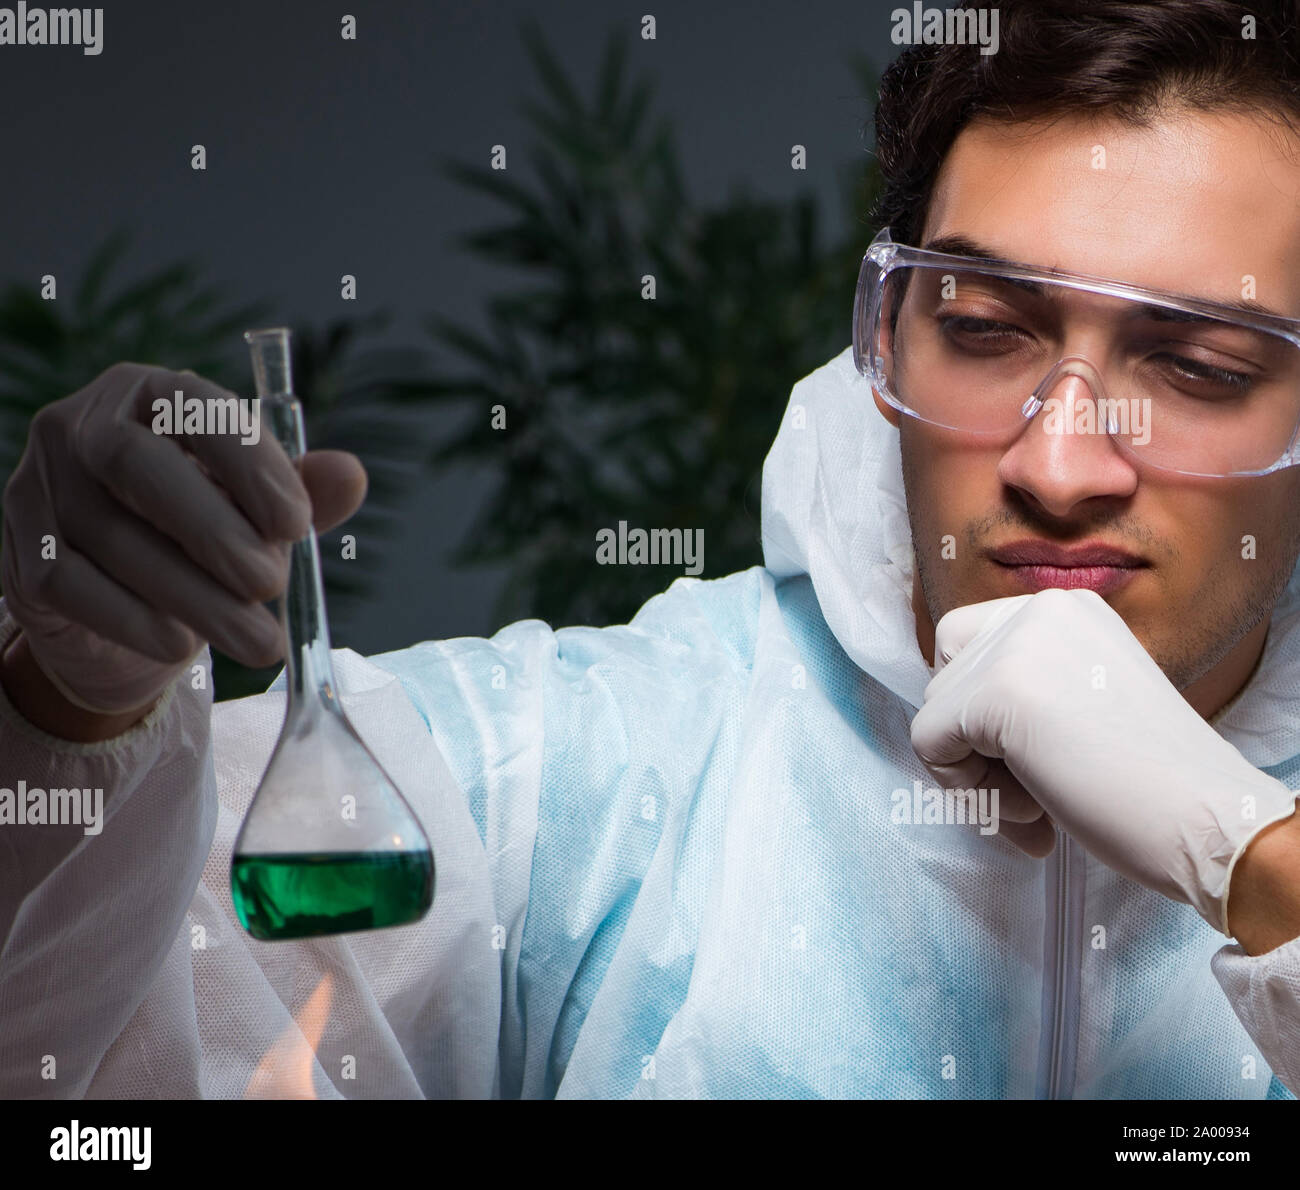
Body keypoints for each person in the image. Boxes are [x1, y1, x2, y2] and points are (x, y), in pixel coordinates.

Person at [3, 0, 1300, 1099]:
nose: (1058, 463)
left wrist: (1255, 858)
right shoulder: (570, 768)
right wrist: (63, 710)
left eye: (1197, 365)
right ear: (887, 339)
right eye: (984, 329)